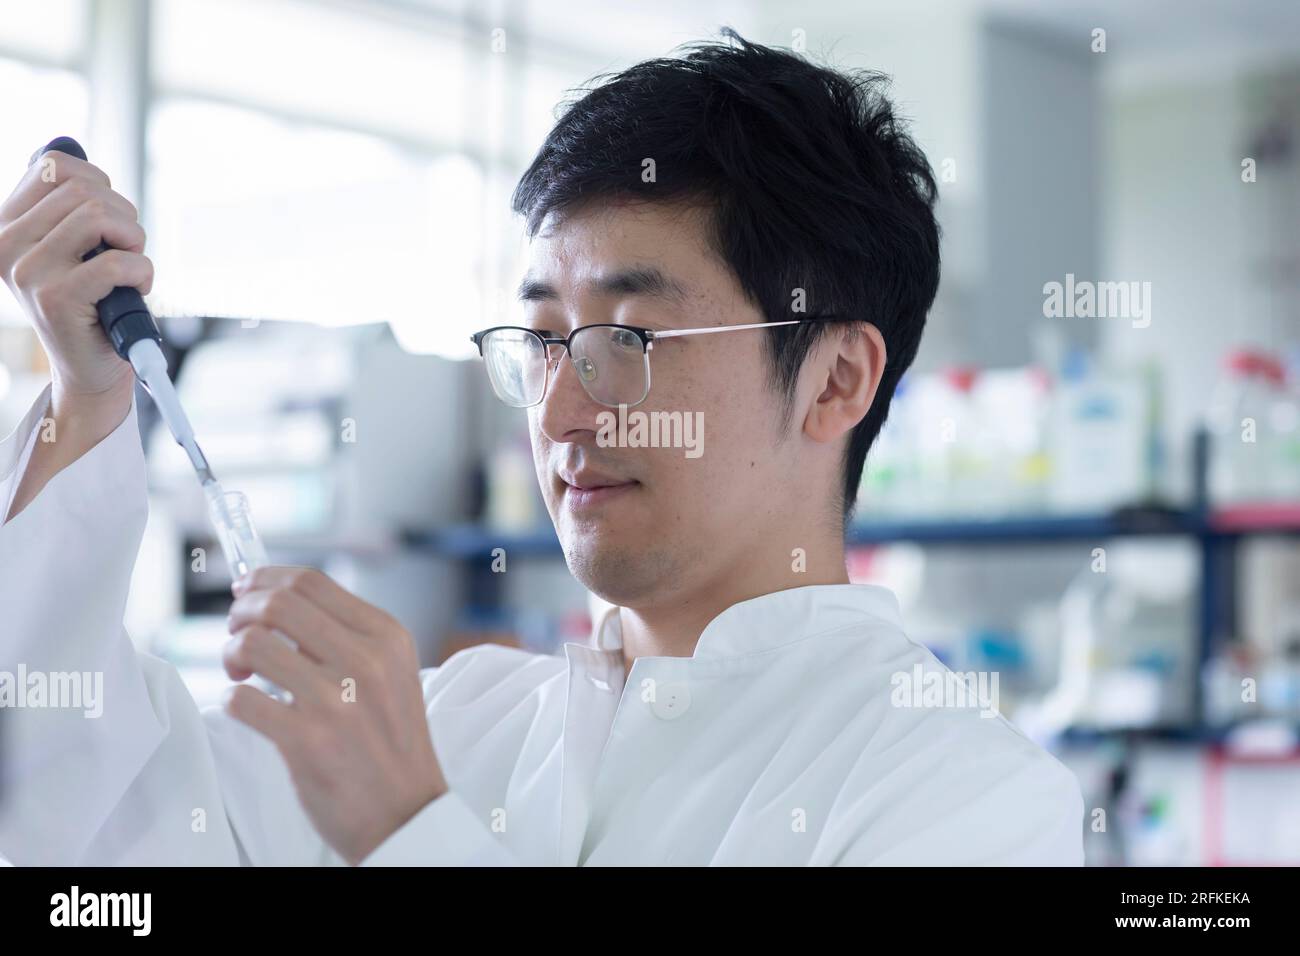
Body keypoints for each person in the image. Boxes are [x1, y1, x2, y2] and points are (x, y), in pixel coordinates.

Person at [0, 31, 1082, 865]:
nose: (562, 412)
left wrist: (409, 828)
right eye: (544, 339)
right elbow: (95, 838)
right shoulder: (454, 717)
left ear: (836, 379)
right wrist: (84, 402)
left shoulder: (965, 798)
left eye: (629, 337)